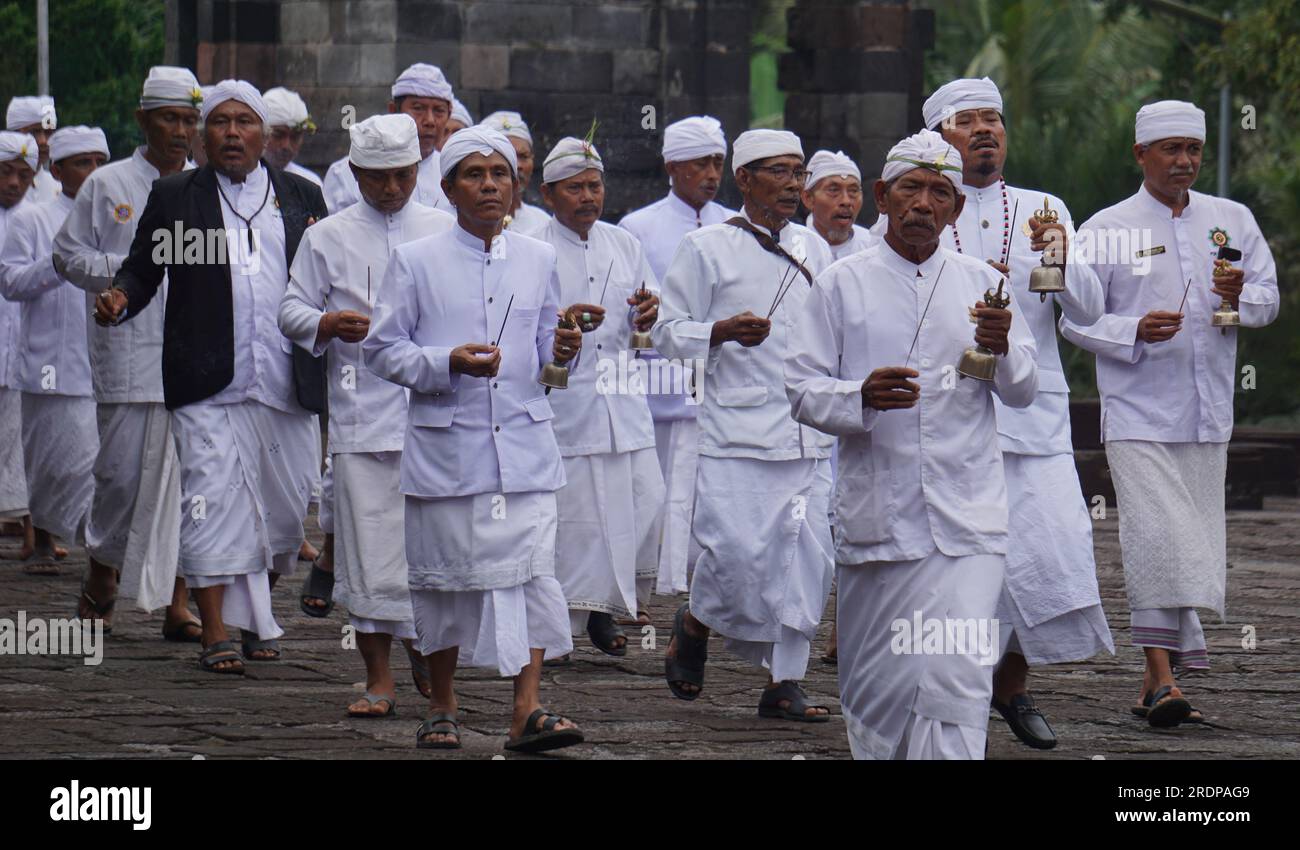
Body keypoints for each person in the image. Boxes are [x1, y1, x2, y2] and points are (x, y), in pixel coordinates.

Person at [786, 128, 1039, 759]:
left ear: (955, 208)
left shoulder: (986, 286)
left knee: (957, 679)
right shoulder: (840, 284)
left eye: (939, 192)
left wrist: (1003, 347)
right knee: (880, 689)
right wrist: (861, 397)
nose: (924, 203)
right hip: (881, 519)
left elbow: (1024, 390)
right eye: (911, 188)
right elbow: (801, 390)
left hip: (969, 519)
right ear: (883, 196)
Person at [363, 126, 585, 752]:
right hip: (448, 448)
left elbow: (547, 364)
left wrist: (564, 350)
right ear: (449, 187)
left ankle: (527, 708)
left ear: (515, 188)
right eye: (475, 175)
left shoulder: (540, 258)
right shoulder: (417, 260)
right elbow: (382, 350)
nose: (489, 186)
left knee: (534, 577)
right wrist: (445, 363)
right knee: (446, 582)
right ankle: (441, 702)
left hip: (523, 450)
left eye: (500, 176)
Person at [95, 80, 327, 674]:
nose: (230, 133)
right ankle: (215, 631)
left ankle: (256, 615)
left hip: (285, 381)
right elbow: (144, 267)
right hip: (205, 381)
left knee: (284, 513)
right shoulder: (176, 196)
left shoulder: (301, 197)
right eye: (219, 122)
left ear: (265, 134)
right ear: (204, 133)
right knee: (205, 501)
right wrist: (122, 295)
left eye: (243, 122)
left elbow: (331, 277)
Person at [1061, 100, 1279, 727]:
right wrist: (1133, 329)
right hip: (1137, 410)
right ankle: (1160, 678)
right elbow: (1076, 319)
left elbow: (1266, 297)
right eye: (1171, 150)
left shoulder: (1230, 218)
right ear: (1141, 155)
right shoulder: (1105, 227)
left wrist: (1242, 298)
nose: (1184, 161)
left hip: (1208, 411)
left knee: (1192, 541)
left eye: (1193, 149)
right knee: (1154, 536)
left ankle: (1158, 674)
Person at [925, 76, 1114, 749]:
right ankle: (957, 699)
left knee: (1044, 552)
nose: (984, 130)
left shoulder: (1043, 205)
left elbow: (1088, 311)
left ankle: (1011, 685)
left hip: (1034, 417)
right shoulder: (920, 201)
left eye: (993, 120)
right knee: (957, 564)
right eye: (968, 120)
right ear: (939, 135)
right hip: (951, 414)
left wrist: (1056, 256)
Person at [654, 128, 836, 721]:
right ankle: (695, 621)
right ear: (746, 179)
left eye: (799, 172)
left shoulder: (815, 248)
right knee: (734, 555)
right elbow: (664, 332)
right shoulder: (705, 247)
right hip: (737, 429)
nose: (793, 184)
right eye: (779, 172)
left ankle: (784, 681)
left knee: (807, 558)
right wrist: (720, 331)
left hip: (808, 430)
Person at [280, 113, 455, 716]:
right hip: (360, 413)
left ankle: (427, 650)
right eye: (377, 178)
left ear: (417, 171)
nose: (390, 189)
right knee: (367, 550)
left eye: (402, 176)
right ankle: (378, 677)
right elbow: (290, 310)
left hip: (432, 414)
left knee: (430, 550)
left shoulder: (444, 227)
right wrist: (326, 323)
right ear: (355, 173)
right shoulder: (326, 236)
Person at [52, 66, 204, 638]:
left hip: (192, 357)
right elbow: (66, 255)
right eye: (170, 118)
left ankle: (178, 601)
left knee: (191, 483)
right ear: (144, 120)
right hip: (126, 353)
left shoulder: (207, 187)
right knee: (117, 478)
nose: (181, 130)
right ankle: (101, 573)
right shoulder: (108, 184)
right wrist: (128, 273)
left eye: (190, 119)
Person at [536, 135, 664, 657]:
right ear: (548, 195)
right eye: (575, 188)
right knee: (578, 517)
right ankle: (564, 625)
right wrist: (563, 329)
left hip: (624, 401)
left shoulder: (624, 243)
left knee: (644, 501)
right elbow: (524, 328)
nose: (588, 196)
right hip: (566, 400)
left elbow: (652, 321)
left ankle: (606, 607)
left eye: (595, 185)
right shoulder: (532, 247)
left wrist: (648, 314)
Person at [619, 115, 733, 607]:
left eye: (718, 162)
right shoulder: (637, 227)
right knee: (653, 487)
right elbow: (635, 298)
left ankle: (701, 583)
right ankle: (645, 584)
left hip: (721, 373)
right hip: (658, 379)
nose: (711, 173)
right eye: (700, 163)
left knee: (710, 484)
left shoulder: (735, 223)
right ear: (672, 166)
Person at [0, 127, 106, 584]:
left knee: (97, 464)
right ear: (57, 170)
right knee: (45, 462)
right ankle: (42, 536)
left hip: (99, 362)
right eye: (83, 163)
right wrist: (59, 265)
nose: (94, 173)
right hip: (44, 361)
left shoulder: (116, 218)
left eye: (101, 163)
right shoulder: (33, 220)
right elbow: (11, 282)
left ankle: (101, 553)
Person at [322, 63, 455, 215]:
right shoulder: (343, 173)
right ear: (393, 110)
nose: (430, 121)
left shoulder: (454, 172)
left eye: (439, 111)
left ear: (449, 115)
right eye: (418, 108)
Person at [0, 131, 37, 562]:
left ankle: (35, 534)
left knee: (26, 444)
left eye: (22, 175)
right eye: (5, 172)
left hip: (24, 353)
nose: (13, 183)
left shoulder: (40, 218)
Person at [478, 111, 549, 234]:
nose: (518, 165)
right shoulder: (466, 221)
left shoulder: (543, 223)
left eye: (523, 156)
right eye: (509, 156)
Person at [802, 149, 874, 260]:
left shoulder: (873, 247)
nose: (846, 201)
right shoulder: (793, 247)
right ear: (808, 199)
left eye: (853, 191)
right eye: (833, 190)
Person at [262, 86, 322, 186]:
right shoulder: (240, 179)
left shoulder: (310, 183)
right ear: (261, 133)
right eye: (278, 135)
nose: (286, 146)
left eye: (295, 137)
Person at [6, 96, 60, 203]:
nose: (43, 141)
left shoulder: (58, 188)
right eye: (34, 132)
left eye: (48, 133)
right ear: (14, 135)